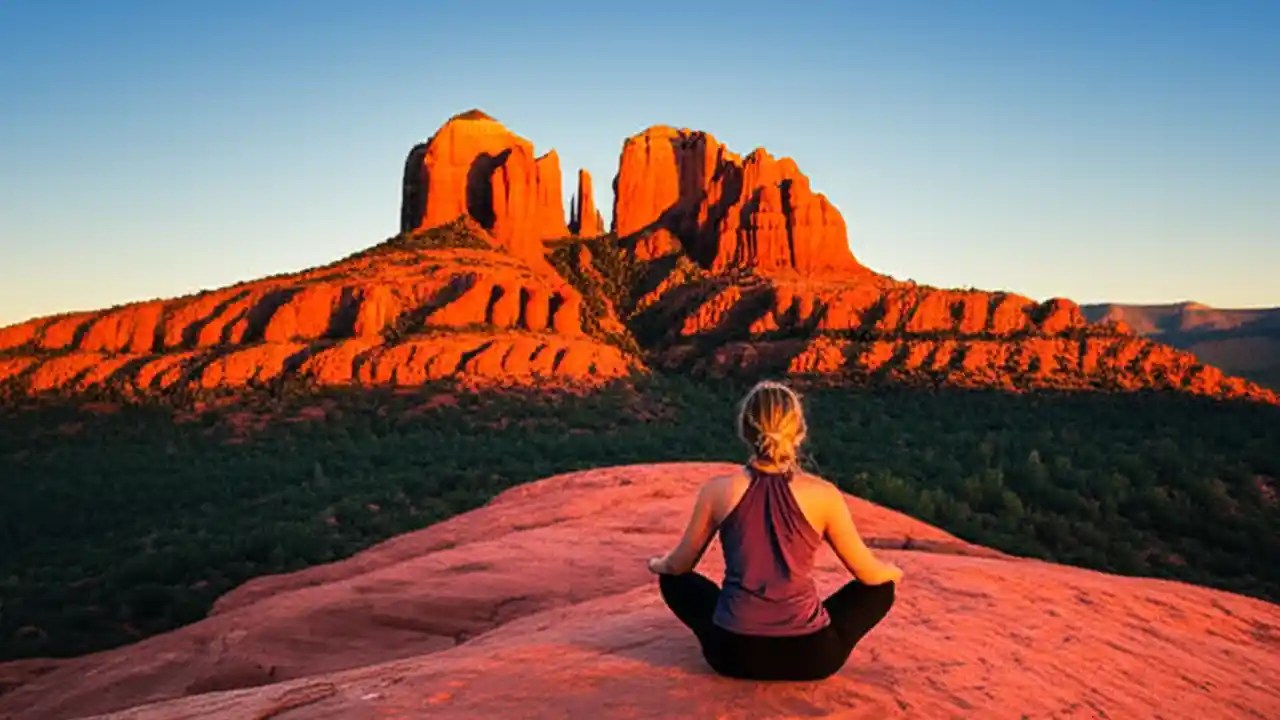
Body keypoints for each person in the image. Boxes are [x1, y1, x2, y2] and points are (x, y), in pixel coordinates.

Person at [647, 380, 902, 681]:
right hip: (810, 657)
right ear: (799, 432)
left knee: (674, 581)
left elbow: (679, 565)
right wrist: (893, 571)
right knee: (881, 589)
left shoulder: (718, 491)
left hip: (732, 653)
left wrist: (658, 565)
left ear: (745, 430)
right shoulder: (823, 495)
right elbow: (869, 574)